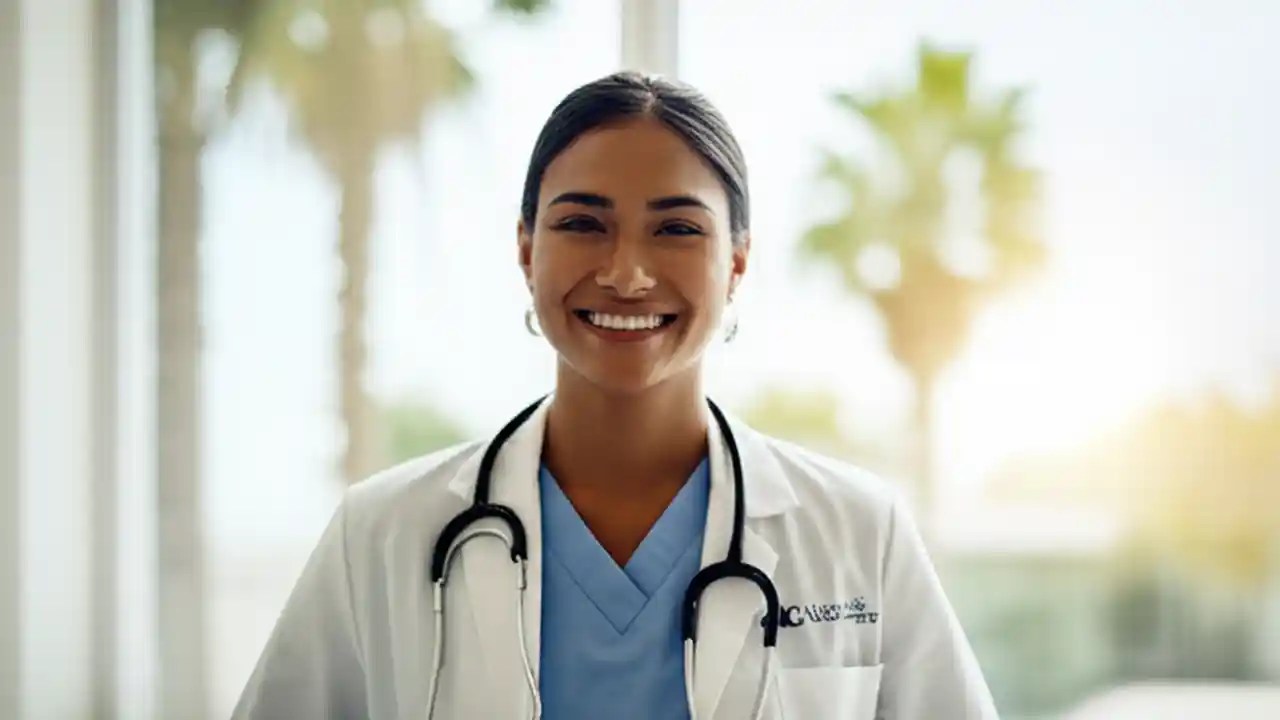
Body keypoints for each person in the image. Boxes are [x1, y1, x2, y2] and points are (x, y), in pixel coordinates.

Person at [232, 71, 999, 720]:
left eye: (676, 230)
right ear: (526, 248)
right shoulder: (384, 531)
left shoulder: (860, 533)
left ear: (736, 263)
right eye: (582, 223)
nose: (627, 272)